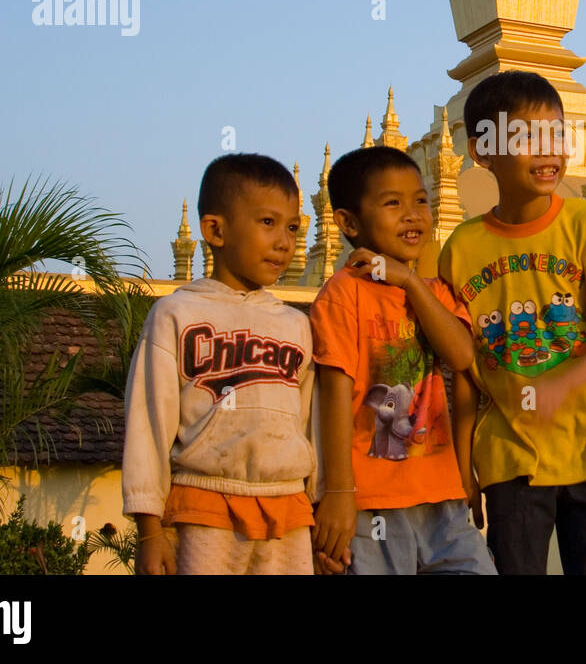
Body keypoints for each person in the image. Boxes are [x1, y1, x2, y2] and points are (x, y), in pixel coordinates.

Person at [441, 70, 586, 575]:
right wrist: (463, 466)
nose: (548, 150)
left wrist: (562, 382)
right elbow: (462, 373)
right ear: (482, 152)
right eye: (526, 137)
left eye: (556, 133)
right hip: (511, 457)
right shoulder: (459, 250)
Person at [123, 153, 322, 575]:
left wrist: (321, 504)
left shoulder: (296, 325)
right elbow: (148, 425)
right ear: (215, 230)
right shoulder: (176, 315)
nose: (284, 242)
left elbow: (310, 423)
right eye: (267, 223)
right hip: (204, 503)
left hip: (288, 507)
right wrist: (149, 530)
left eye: (292, 227)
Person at [308, 146, 496, 574]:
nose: (412, 214)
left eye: (421, 201)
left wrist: (410, 282)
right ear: (348, 222)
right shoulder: (343, 292)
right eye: (393, 203)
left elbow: (462, 354)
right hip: (370, 501)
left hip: (441, 498)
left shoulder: (436, 293)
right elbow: (334, 393)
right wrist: (338, 491)